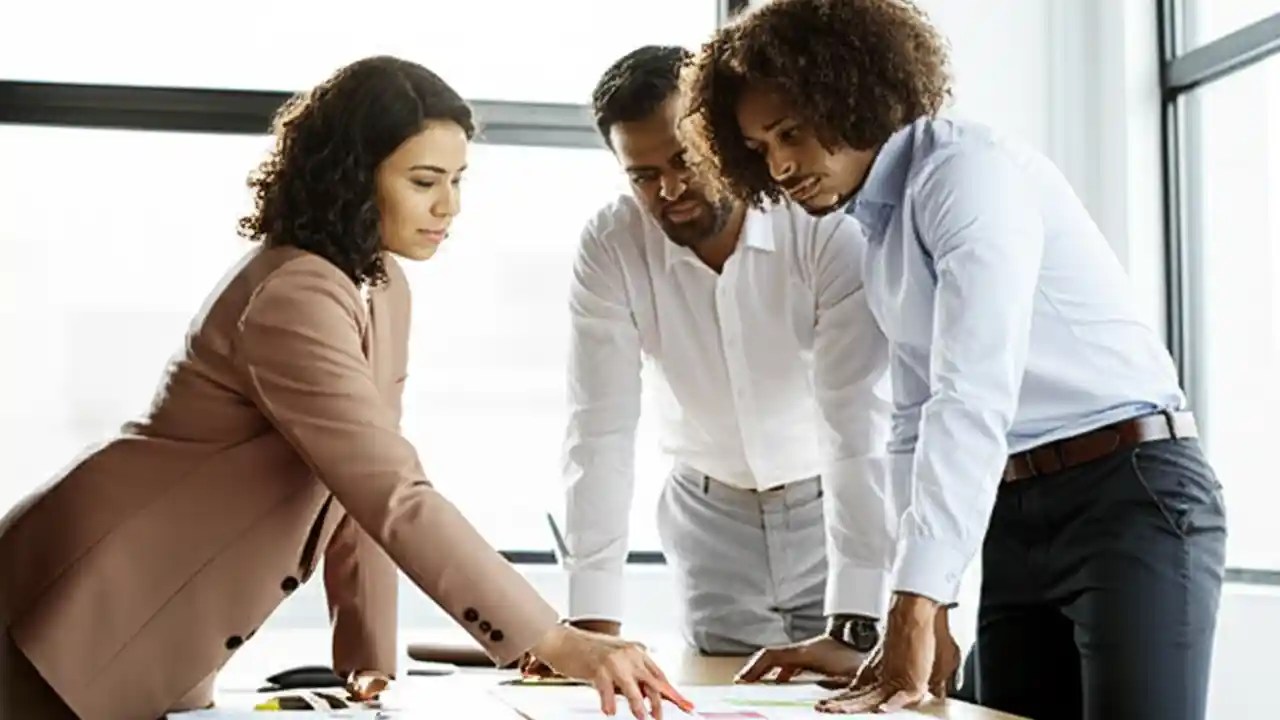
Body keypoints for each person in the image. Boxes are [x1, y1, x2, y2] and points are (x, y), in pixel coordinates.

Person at [0, 55, 687, 720]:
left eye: (458, 179)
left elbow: (358, 493)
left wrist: (368, 662)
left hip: (151, 620)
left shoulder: (381, 289)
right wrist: (554, 637)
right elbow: (391, 491)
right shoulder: (293, 292)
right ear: (356, 179)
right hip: (75, 601)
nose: (449, 205)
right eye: (424, 181)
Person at [676, 1, 1228, 719]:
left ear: (849, 93)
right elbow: (910, 422)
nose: (780, 165)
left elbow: (972, 392)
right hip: (1016, 506)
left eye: (792, 133)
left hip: (1130, 493)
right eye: (759, 147)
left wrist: (917, 601)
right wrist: (921, 595)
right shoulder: (877, 231)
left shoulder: (964, 172)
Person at [539, 44, 893, 678]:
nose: (669, 189)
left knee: (862, 692)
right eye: (642, 175)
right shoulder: (612, 244)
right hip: (710, 517)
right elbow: (600, 430)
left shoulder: (820, 223)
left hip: (834, 499)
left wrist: (860, 610)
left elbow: (855, 422)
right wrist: (591, 623)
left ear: (724, 140)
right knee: (729, 696)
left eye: (684, 160)